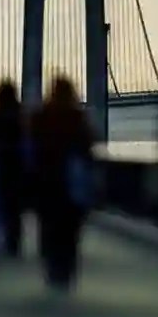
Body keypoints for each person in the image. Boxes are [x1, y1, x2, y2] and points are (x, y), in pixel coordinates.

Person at [31, 78, 95, 293]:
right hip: (71, 186)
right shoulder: (78, 118)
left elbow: (33, 150)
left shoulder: (41, 117)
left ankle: (52, 269)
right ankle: (66, 272)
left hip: (47, 185)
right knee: (69, 232)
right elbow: (88, 148)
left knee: (49, 229)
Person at [0, 81, 28, 257]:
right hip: (16, 165)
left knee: (4, 204)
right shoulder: (19, 113)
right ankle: (14, 239)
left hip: (0, 165)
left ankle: (8, 238)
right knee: (15, 206)